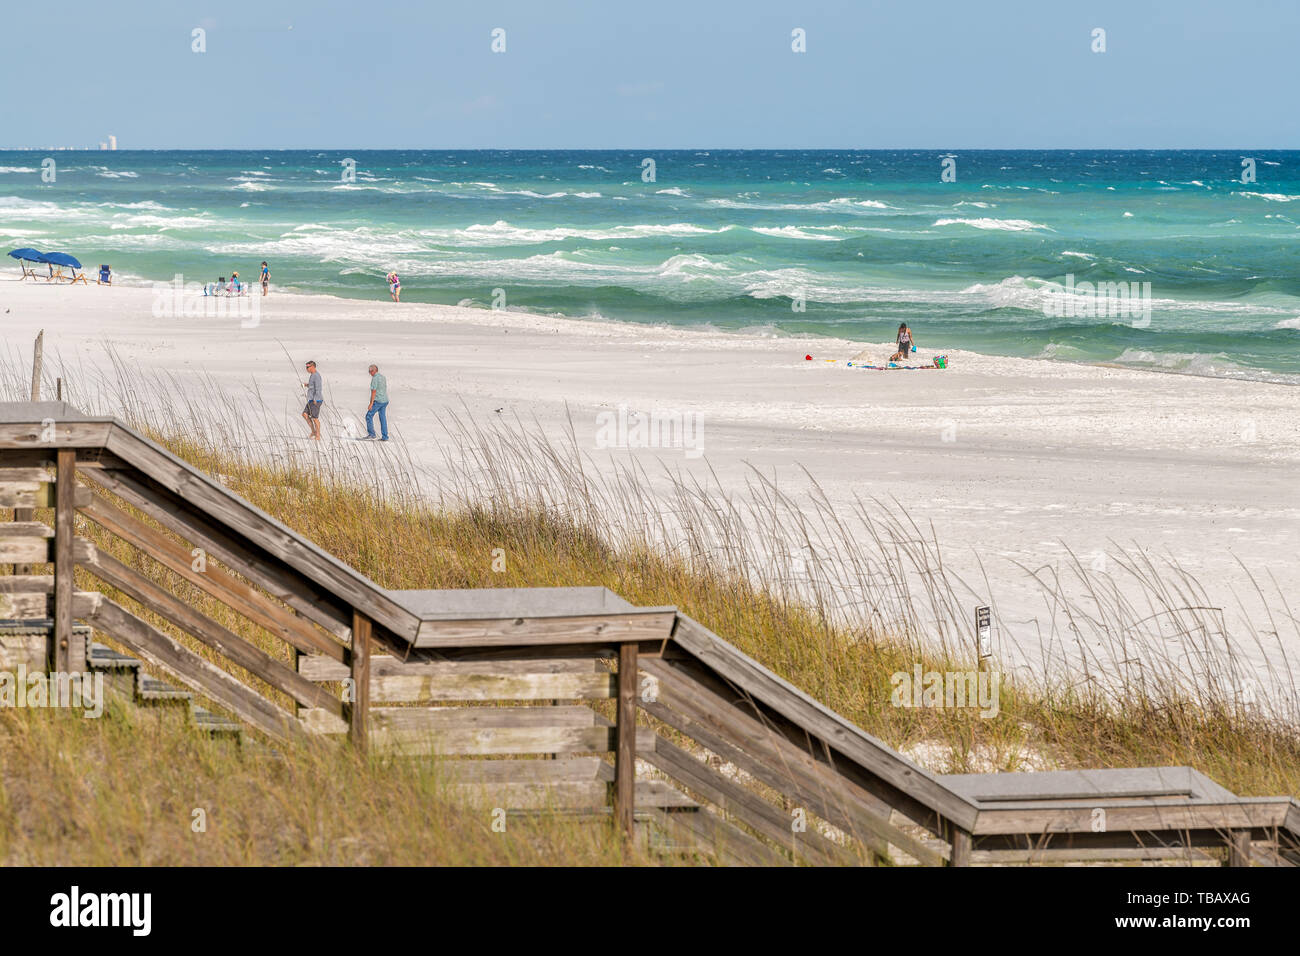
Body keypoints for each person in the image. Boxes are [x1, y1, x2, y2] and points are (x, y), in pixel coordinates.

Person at [363, 364, 390, 441]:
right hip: (385, 400)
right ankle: (385, 436)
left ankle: (372, 434)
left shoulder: (375, 379)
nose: (369, 373)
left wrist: (371, 403)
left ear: (373, 371)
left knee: (368, 416)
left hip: (378, 401)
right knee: (382, 418)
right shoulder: (383, 377)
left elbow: (373, 391)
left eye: (370, 371)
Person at [301, 360, 324, 441]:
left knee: (315, 418)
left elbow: (318, 388)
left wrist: (315, 399)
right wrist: (307, 385)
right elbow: (312, 386)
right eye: (306, 367)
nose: (306, 369)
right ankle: (313, 431)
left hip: (316, 400)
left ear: (313, 367)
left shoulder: (316, 376)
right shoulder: (312, 375)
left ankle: (318, 436)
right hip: (311, 399)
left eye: (308, 367)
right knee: (304, 414)